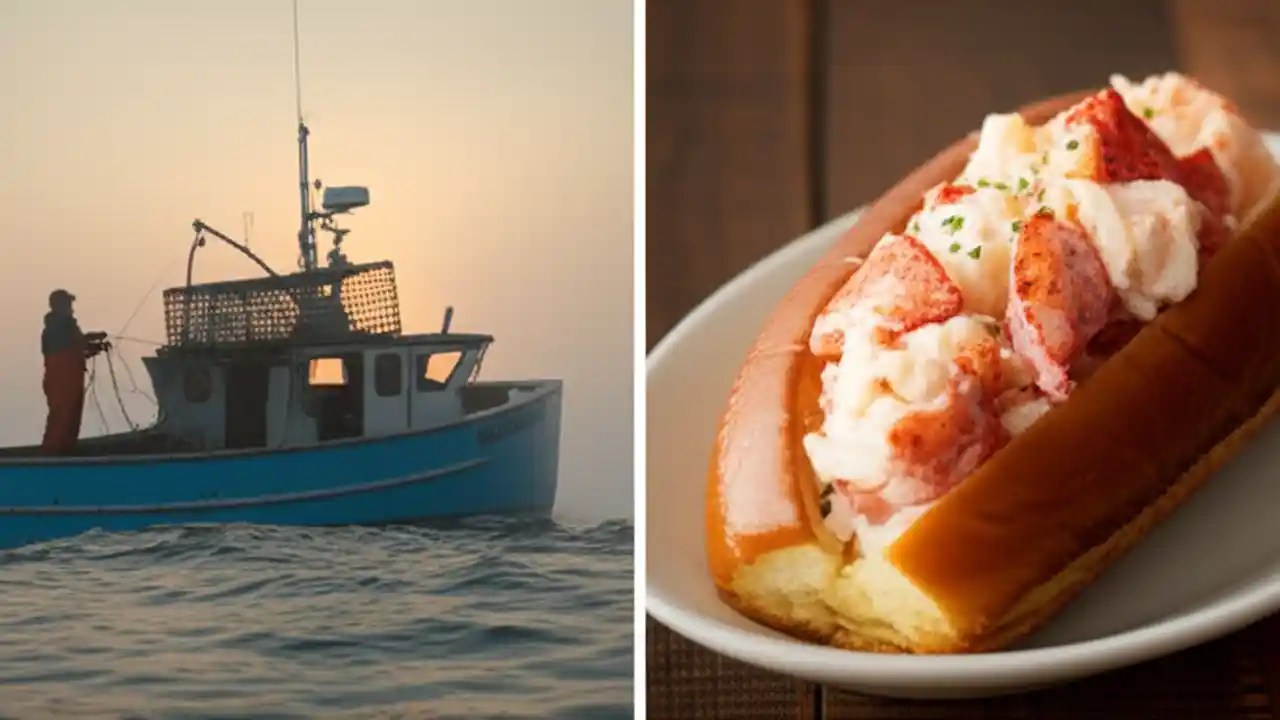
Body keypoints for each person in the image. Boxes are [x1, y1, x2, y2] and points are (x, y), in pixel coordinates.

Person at [40, 289, 106, 456]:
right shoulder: (56, 328)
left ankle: (65, 453)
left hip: (72, 380)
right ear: (58, 306)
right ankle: (51, 455)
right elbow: (73, 346)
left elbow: (77, 348)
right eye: (68, 305)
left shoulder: (67, 327)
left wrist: (94, 346)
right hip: (60, 382)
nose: (71, 309)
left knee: (72, 419)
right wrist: (91, 342)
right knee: (61, 418)